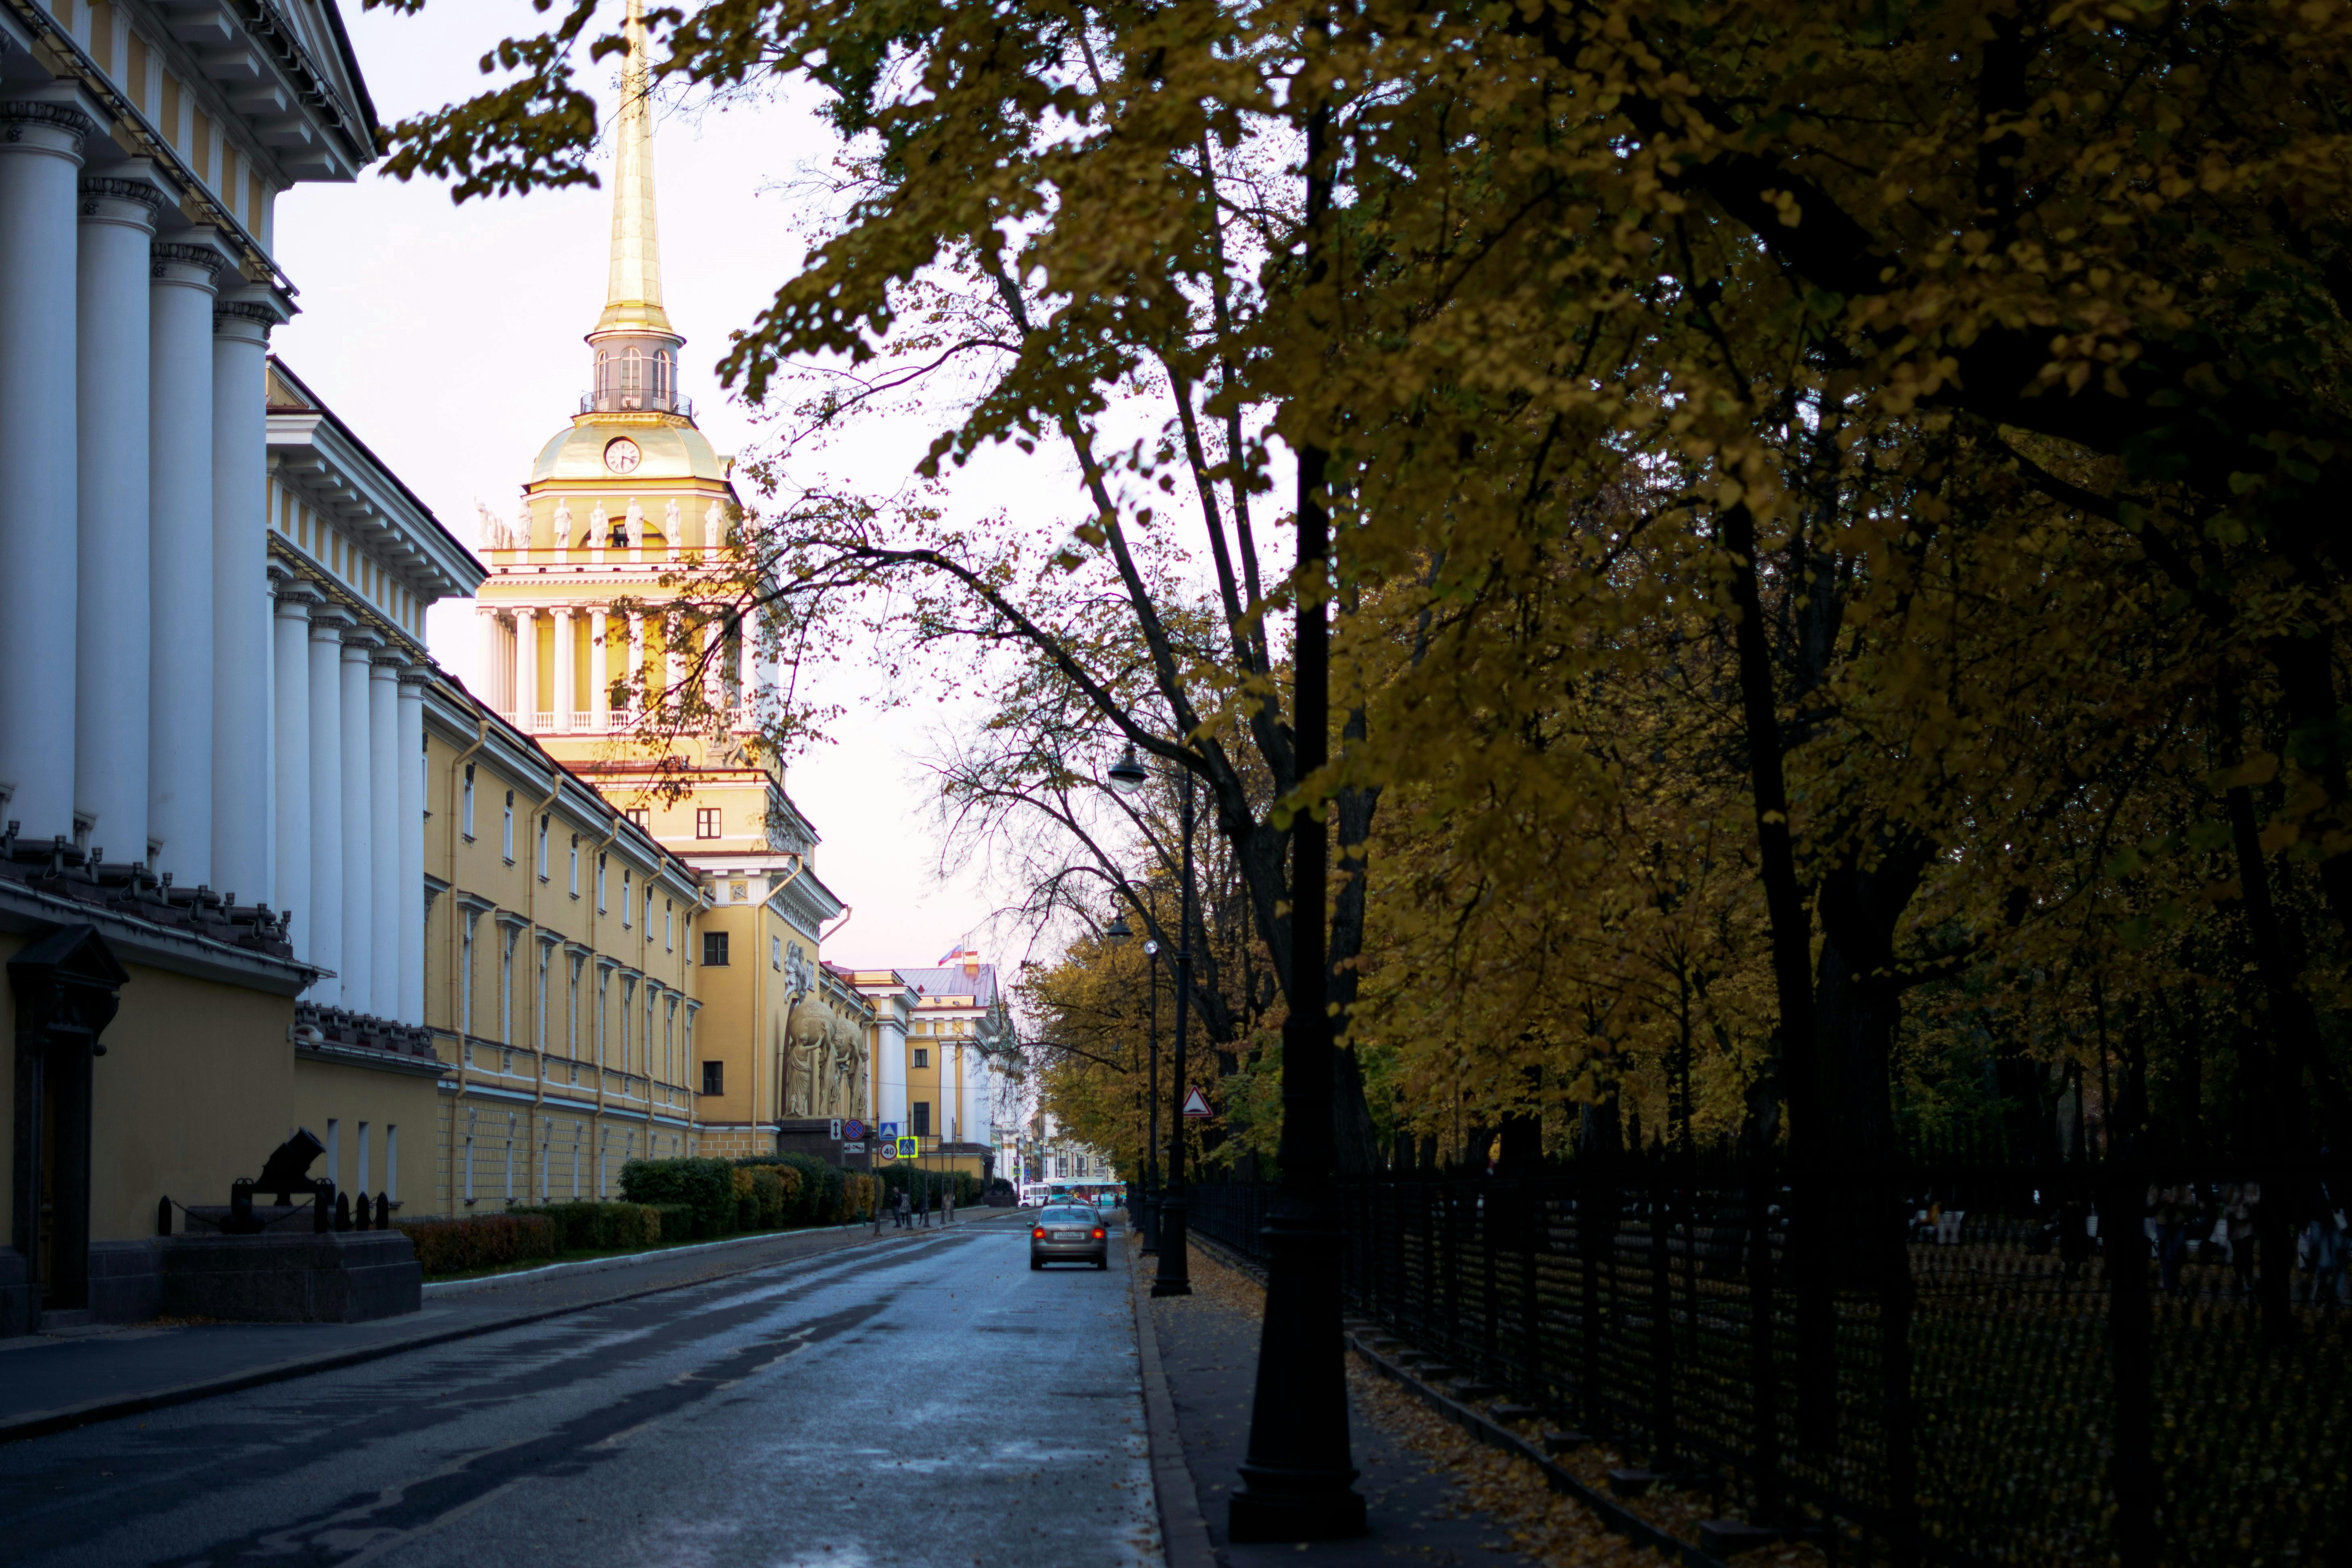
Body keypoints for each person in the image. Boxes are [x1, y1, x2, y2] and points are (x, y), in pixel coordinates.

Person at [2223, 1181, 2261, 1299]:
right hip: (2235, 1224)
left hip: (2249, 1223)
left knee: (2248, 1253)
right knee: (2237, 1255)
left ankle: (2248, 1282)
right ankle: (2240, 1282)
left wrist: (2247, 1200)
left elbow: (2259, 1198)